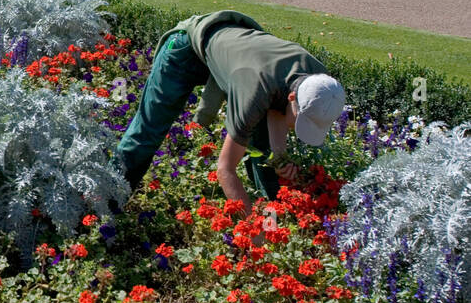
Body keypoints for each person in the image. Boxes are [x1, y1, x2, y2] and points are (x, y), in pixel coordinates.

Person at [117, 10, 345, 208]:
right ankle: (106, 200)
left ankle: (272, 209)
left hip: (234, 51)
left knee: (264, 147)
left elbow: (278, 106)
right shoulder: (254, 90)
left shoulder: (319, 79)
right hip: (186, 47)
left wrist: (280, 157)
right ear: (293, 98)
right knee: (146, 134)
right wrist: (251, 228)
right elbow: (225, 169)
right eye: (300, 120)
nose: (297, 127)